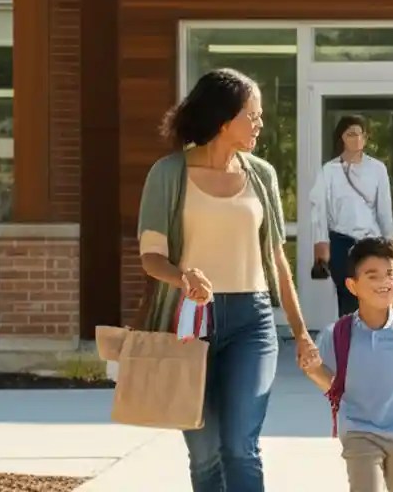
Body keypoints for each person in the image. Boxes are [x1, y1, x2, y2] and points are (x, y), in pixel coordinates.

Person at [136, 68, 315, 492]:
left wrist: (302, 332)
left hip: (251, 322)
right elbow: (151, 258)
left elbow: (277, 260)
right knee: (204, 452)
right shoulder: (168, 174)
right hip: (189, 323)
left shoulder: (262, 175)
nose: (259, 124)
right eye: (252, 115)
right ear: (223, 119)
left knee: (240, 445)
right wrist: (183, 277)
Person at [302, 237, 393, 492]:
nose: (383, 282)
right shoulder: (339, 333)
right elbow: (332, 384)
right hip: (359, 431)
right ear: (352, 286)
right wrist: (312, 370)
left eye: (390, 274)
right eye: (372, 276)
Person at [313, 114, 393, 318]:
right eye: (351, 134)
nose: (356, 139)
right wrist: (321, 244)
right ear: (341, 138)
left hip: (371, 241)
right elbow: (320, 210)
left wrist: (390, 244)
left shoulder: (377, 169)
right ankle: (348, 342)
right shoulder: (329, 170)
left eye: (360, 134)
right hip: (342, 241)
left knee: (375, 294)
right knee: (348, 297)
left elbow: (384, 210)